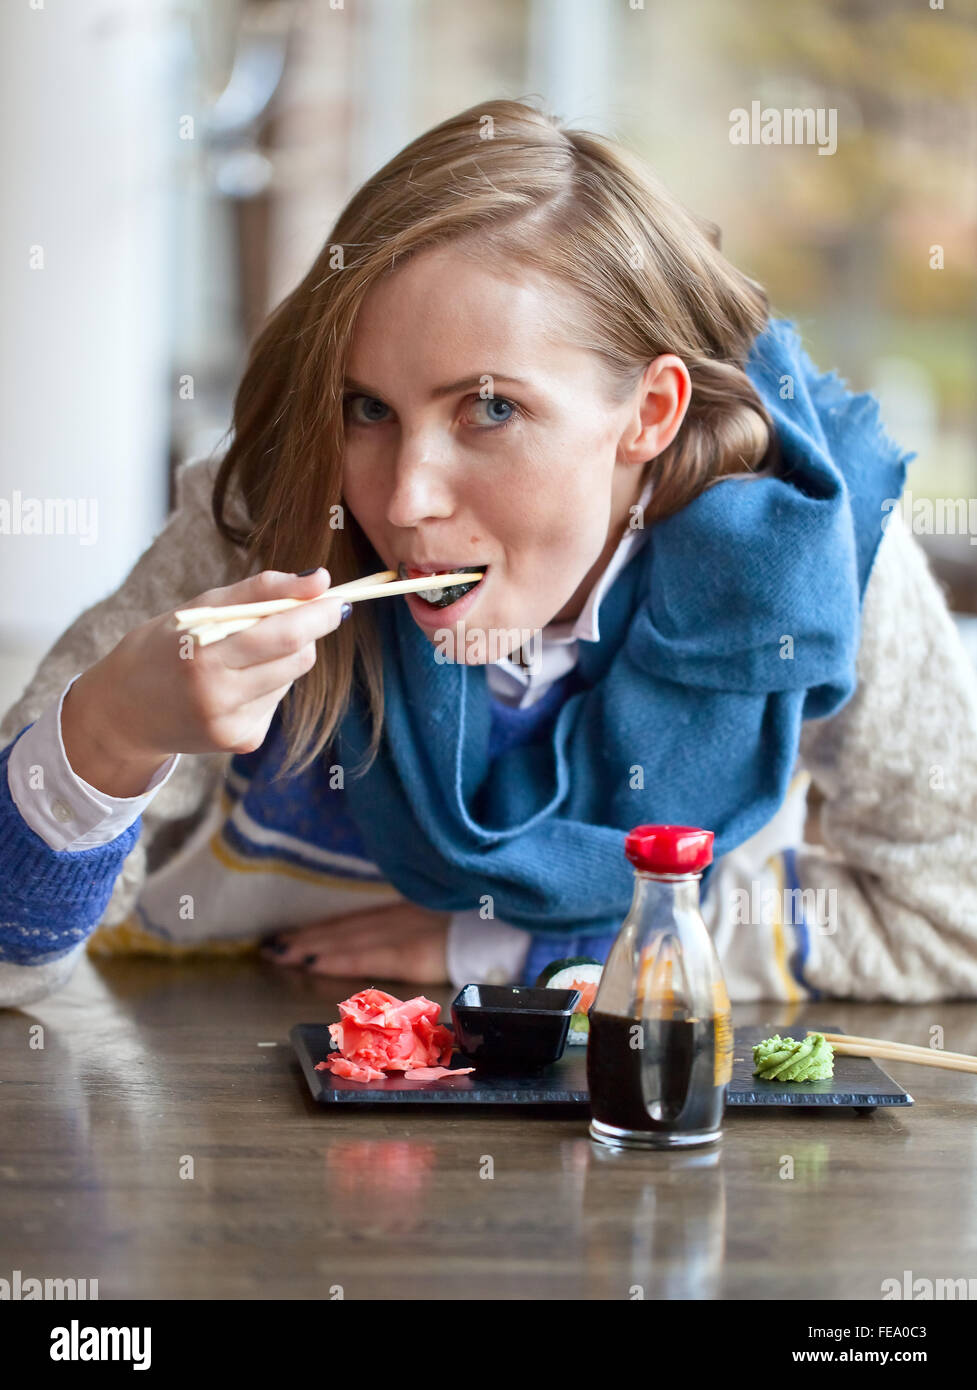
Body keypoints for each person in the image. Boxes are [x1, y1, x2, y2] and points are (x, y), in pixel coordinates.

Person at [2, 98, 976, 1012]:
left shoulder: (815, 556)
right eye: (367, 408)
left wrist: (530, 954)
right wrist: (111, 736)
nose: (403, 496)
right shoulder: (275, 520)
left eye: (492, 409)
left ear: (649, 413)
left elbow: (950, 914)